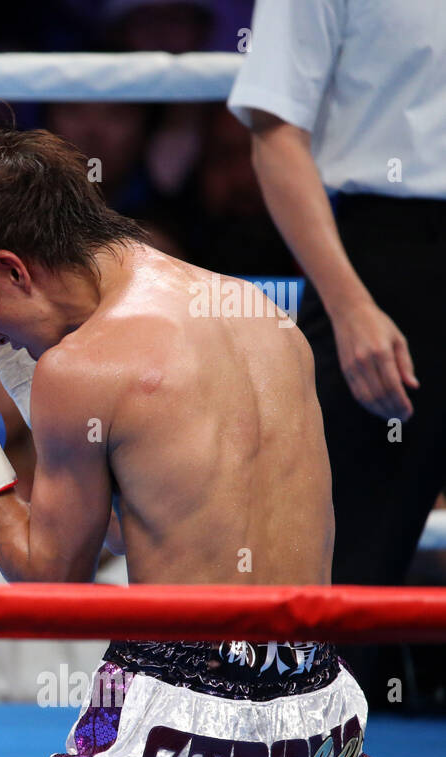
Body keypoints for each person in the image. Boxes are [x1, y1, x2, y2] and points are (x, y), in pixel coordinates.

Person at [0, 123, 399, 757]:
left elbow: (49, 585)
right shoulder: (264, 317)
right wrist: (30, 375)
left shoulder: (84, 367)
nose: (1, 345)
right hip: (319, 702)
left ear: (14, 270)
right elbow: (154, 521)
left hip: (175, 708)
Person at [228, 0, 446, 712]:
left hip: (393, 263)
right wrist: (351, 304)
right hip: (389, 263)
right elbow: (273, 127)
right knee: (338, 571)